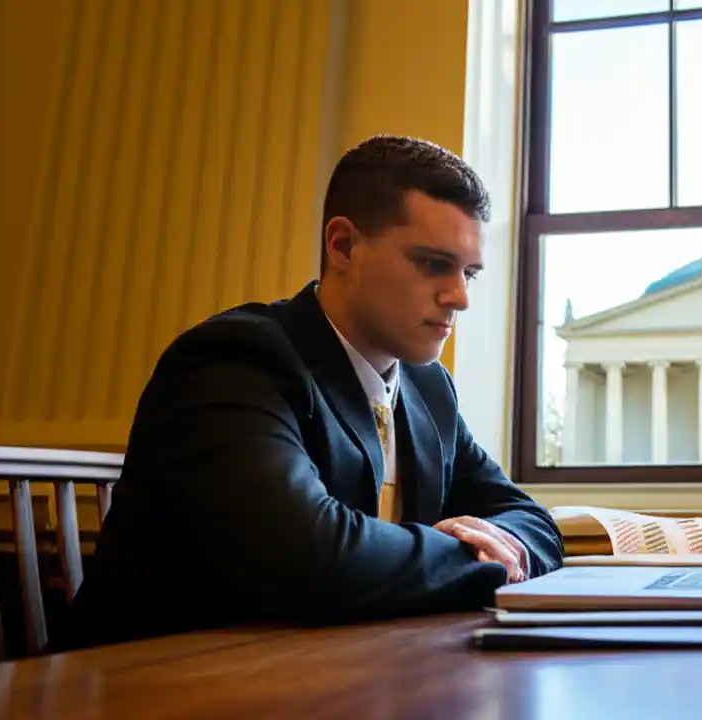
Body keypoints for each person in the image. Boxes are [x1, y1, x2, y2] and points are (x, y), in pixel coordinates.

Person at [61, 135, 563, 649]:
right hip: (147, 684)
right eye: (433, 264)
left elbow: (534, 525)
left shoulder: (430, 387)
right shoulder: (234, 358)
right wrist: (474, 556)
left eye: (469, 273)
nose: (459, 297)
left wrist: (505, 548)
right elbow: (313, 558)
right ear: (343, 245)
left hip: (331, 673)